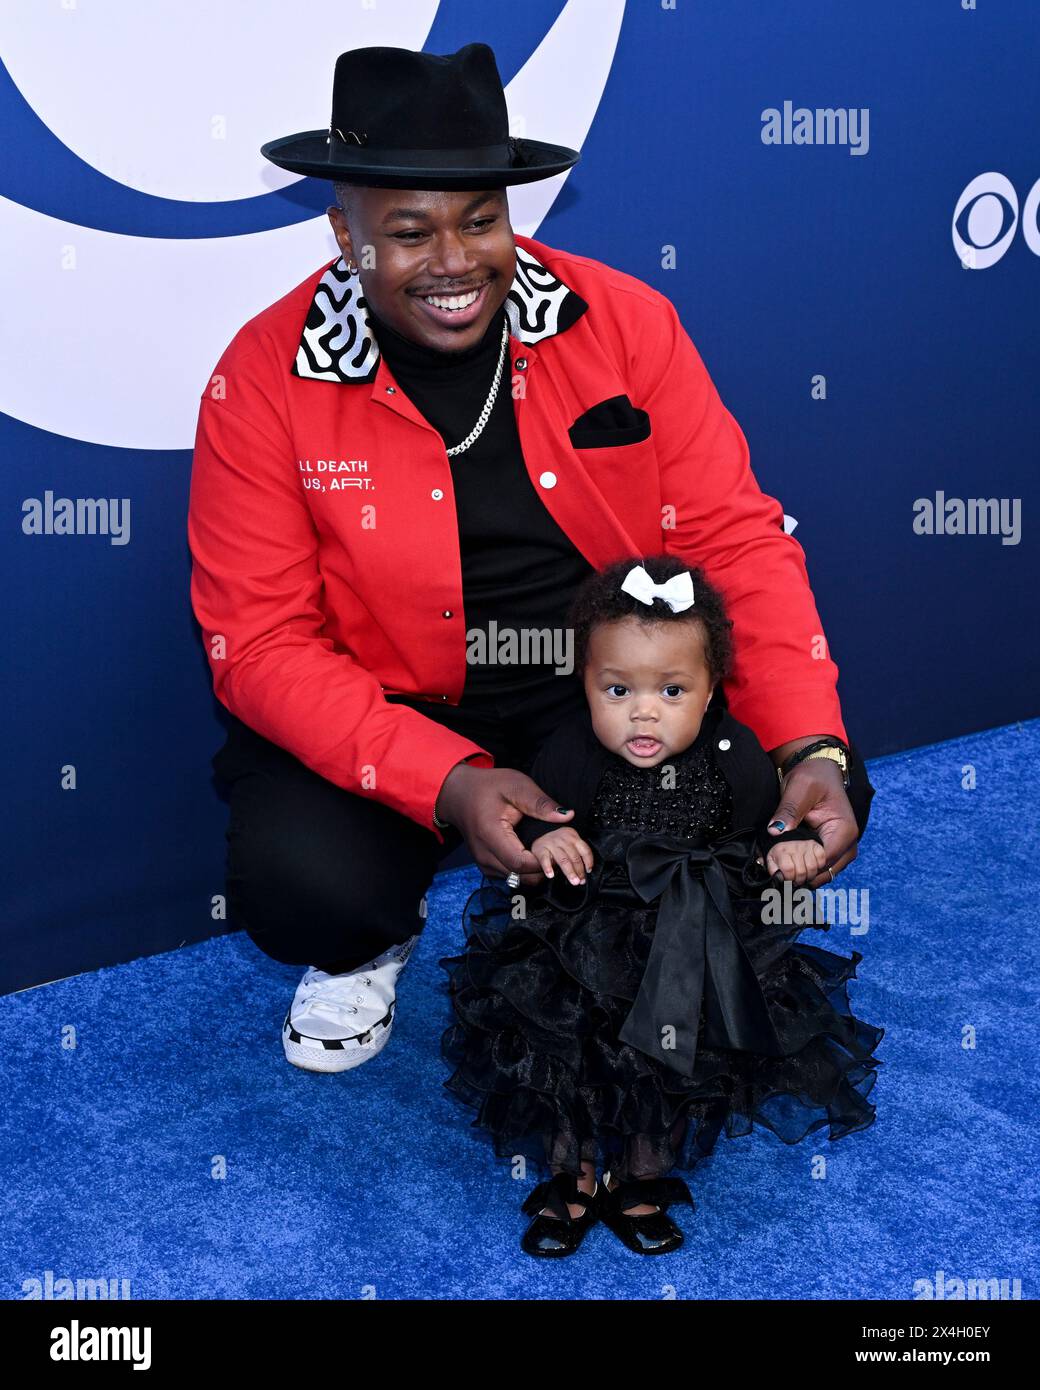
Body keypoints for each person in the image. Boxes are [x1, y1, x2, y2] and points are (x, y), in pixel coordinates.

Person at [189, 42, 870, 1075]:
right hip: (386, 704)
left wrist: (809, 744)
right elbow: (262, 643)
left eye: (479, 220)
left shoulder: (624, 324)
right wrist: (446, 778)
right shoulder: (262, 377)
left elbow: (732, 540)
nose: (455, 261)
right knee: (304, 888)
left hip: (586, 696)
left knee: (732, 796)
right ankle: (385, 925)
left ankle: (572, 925)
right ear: (343, 234)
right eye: (408, 231)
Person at [438, 555, 882, 1257]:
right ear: (585, 683)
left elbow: (766, 832)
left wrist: (789, 850)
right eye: (617, 689)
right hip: (584, 940)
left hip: (697, 936)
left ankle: (643, 1175)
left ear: (711, 693)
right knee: (572, 1060)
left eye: (672, 690)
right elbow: (532, 819)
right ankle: (573, 1170)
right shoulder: (571, 751)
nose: (643, 711)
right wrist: (549, 840)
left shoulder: (736, 755)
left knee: (676, 1065)